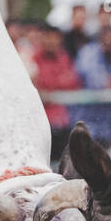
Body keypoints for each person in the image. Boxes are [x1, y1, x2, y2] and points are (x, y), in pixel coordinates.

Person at [32, 23, 82, 159]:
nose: (52, 42)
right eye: (49, 37)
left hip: (66, 121)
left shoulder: (64, 58)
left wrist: (55, 86)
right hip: (42, 123)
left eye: (55, 38)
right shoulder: (34, 59)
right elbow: (41, 85)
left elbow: (73, 82)